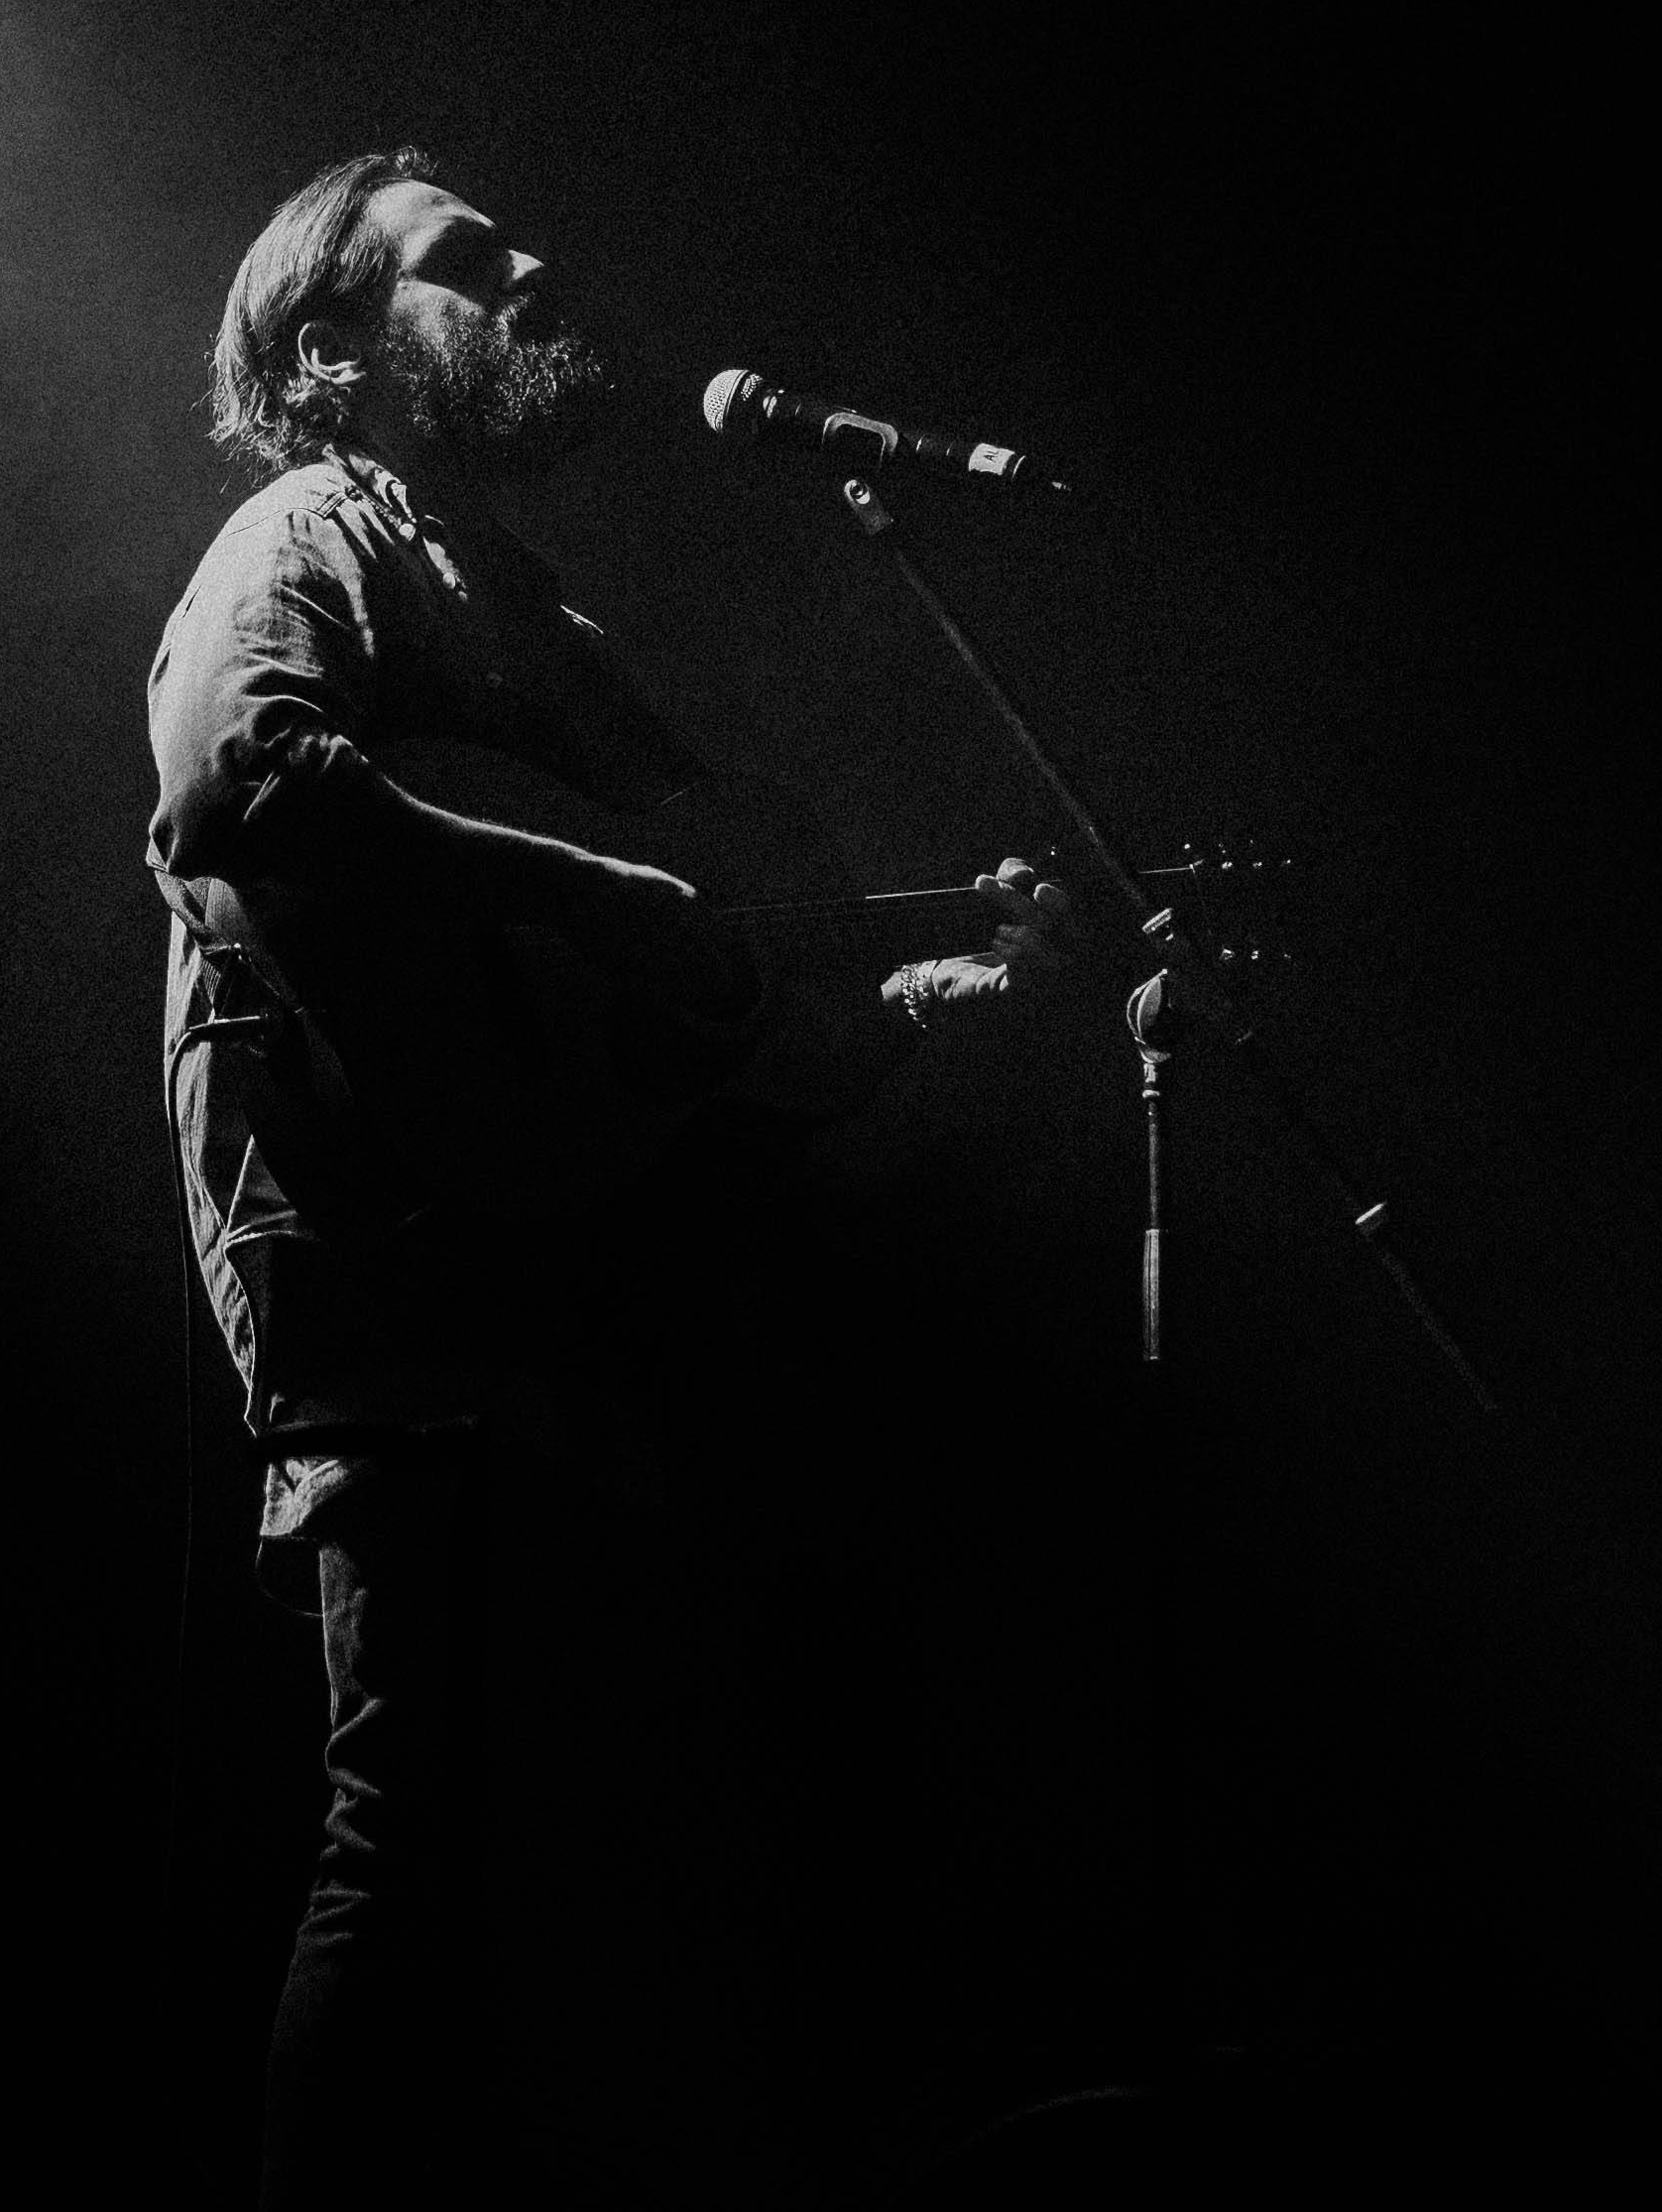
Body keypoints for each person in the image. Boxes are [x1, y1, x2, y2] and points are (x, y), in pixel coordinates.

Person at [146, 148, 1086, 2206]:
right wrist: (601, 891)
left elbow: (696, 1026)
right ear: (331, 349)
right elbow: (239, 779)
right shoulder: (308, 530)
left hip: (556, 1264)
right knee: (411, 1832)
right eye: (468, 262)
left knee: (603, 1843)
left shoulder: (546, 626)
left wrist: (935, 1000)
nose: (538, 265)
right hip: (394, 1267)